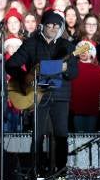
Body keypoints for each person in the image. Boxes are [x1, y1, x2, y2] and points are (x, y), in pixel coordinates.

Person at [6, 10, 78, 171]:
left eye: (56, 26)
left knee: (61, 135)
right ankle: (36, 171)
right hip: (36, 95)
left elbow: (74, 73)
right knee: (37, 135)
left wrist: (65, 68)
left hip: (60, 97)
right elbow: (11, 64)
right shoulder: (32, 43)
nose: (52, 28)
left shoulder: (67, 46)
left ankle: (60, 171)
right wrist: (26, 78)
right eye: (49, 25)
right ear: (42, 26)